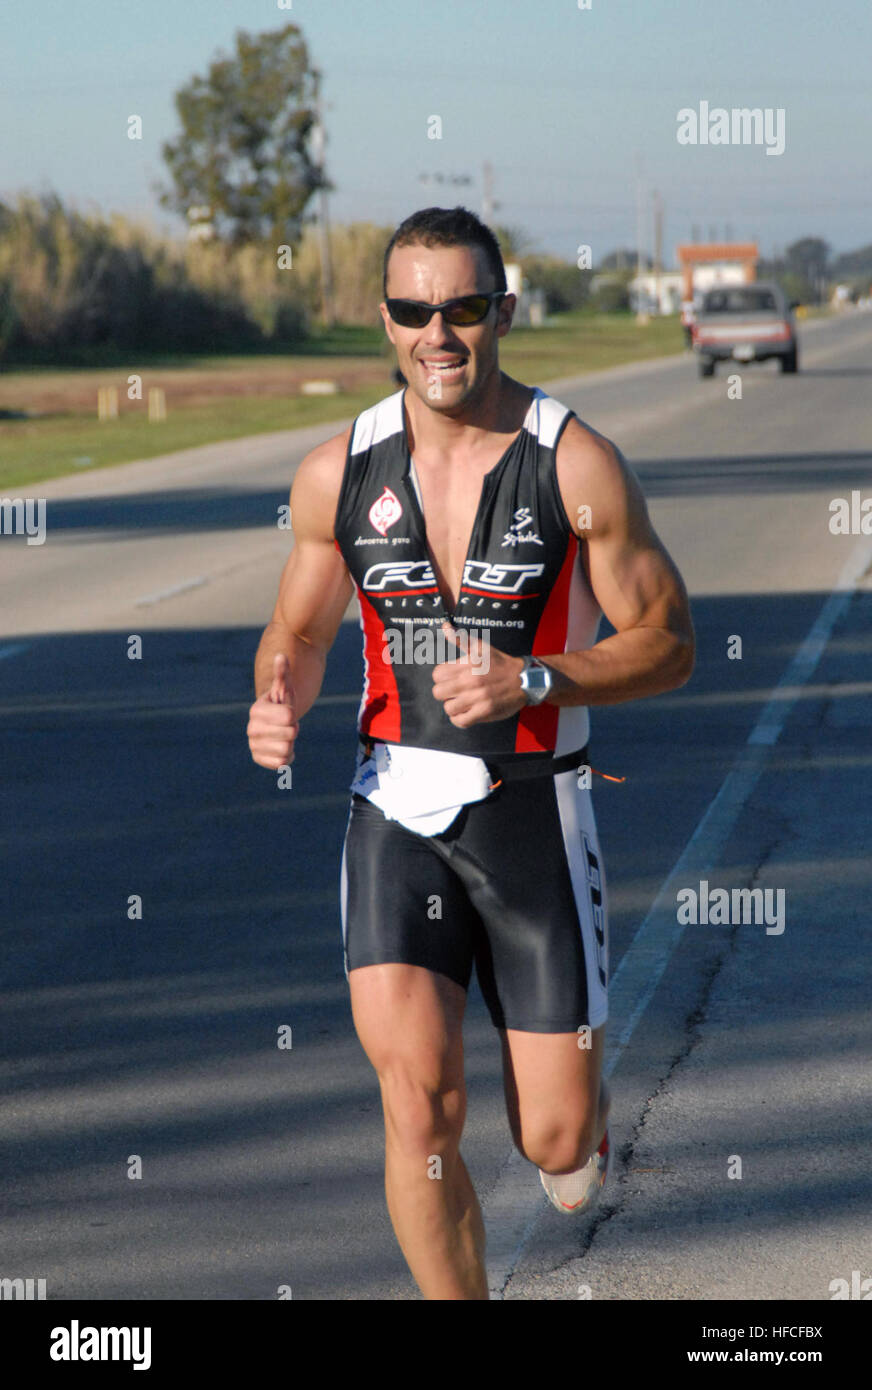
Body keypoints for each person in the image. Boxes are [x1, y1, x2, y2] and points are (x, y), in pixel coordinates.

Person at [247, 206, 695, 1301]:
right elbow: (300, 631)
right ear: (385, 320)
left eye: (459, 308)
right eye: (411, 311)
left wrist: (536, 676)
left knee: (551, 1140)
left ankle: (568, 1132)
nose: (435, 334)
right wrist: (278, 696)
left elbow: (669, 642)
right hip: (392, 808)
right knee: (417, 1104)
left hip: (533, 807)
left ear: (500, 311)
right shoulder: (336, 473)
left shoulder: (573, 462)